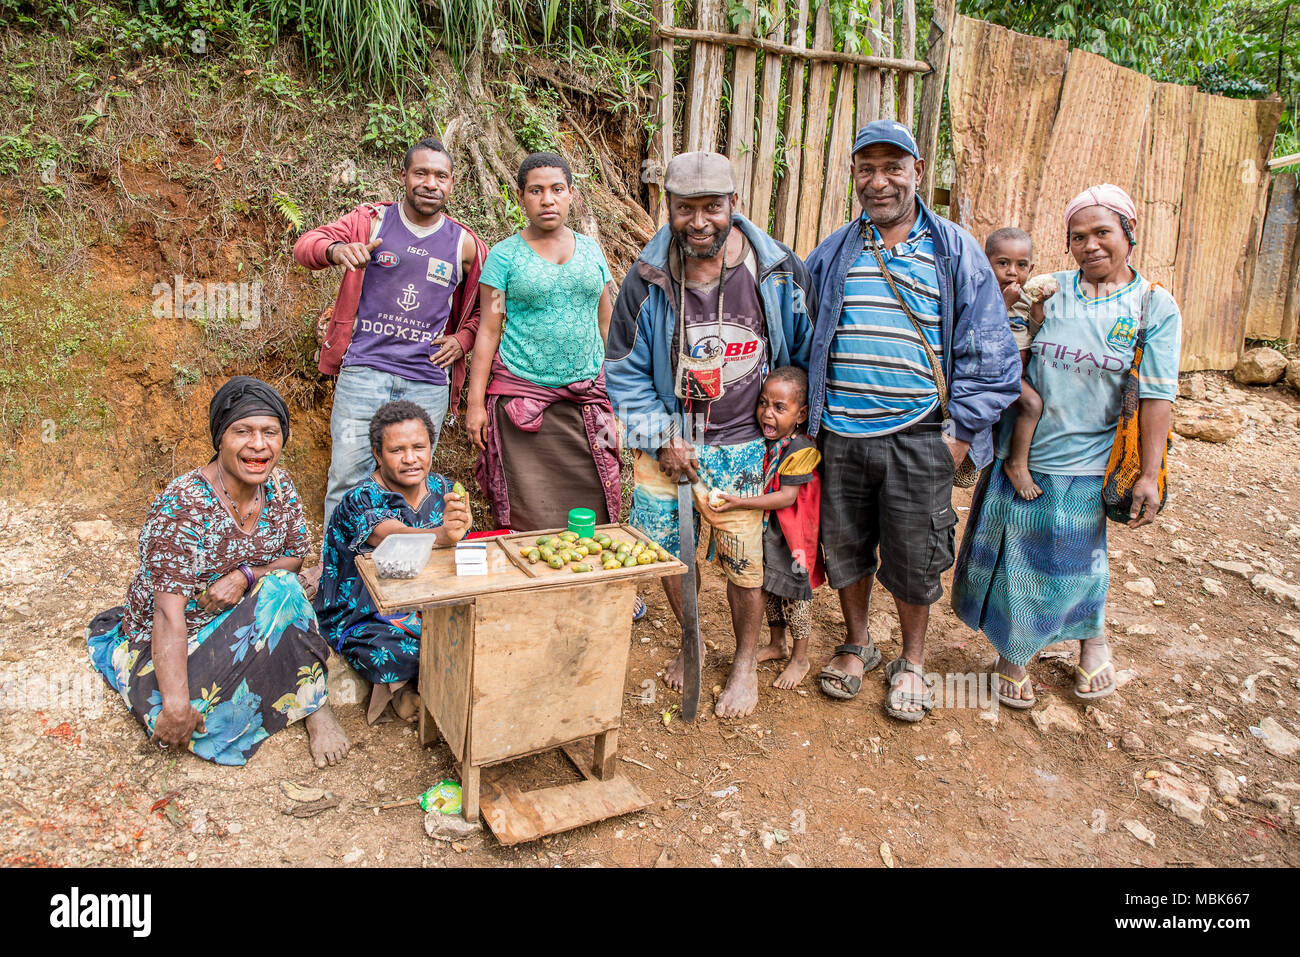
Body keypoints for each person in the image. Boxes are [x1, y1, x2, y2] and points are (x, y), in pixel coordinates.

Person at [805, 120, 1020, 722]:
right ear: (853, 175)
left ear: (917, 172)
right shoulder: (834, 252)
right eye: (866, 168)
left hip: (921, 434)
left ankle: (914, 663)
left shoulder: (953, 251)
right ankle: (857, 644)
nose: (880, 181)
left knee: (916, 553)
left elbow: (991, 353)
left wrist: (958, 437)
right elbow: (802, 339)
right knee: (845, 545)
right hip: (841, 433)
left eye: (893, 167)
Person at [953, 184, 1181, 708]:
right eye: (1078, 237)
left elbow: (1156, 396)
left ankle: (1091, 643)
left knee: (1082, 561)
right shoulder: (1047, 290)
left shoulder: (1152, 305)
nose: (1090, 245)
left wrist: (1148, 474)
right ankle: (1014, 653)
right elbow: (1005, 354)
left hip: (1088, 460)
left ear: (1129, 234)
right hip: (1024, 452)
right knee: (1016, 561)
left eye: (1103, 233)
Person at [605, 151, 816, 719]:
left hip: (745, 447)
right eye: (685, 209)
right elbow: (622, 368)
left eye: (712, 208)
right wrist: (661, 434)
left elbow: (801, 356)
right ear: (666, 208)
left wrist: (790, 434)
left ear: (734, 206)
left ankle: (745, 661)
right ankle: (691, 642)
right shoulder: (647, 278)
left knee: (745, 563)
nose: (699, 221)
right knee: (672, 555)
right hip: (668, 447)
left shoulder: (777, 271)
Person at [86, 377, 350, 768]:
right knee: (186, 715)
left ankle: (314, 705)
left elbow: (295, 557)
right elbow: (167, 611)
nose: (258, 445)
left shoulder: (279, 486)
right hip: (181, 630)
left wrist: (245, 574)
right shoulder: (184, 504)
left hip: (240, 616)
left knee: (284, 588)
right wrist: (175, 706)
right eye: (242, 432)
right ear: (221, 439)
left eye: (269, 433)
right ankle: (276, 687)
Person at [293, 137, 488, 527]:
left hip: (426, 380)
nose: (431, 183)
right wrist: (337, 251)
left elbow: (487, 309)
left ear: (452, 184)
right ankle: (339, 570)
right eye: (421, 173)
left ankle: (402, 572)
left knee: (410, 482)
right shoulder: (371, 221)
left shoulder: (465, 244)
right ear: (403, 176)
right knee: (347, 479)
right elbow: (305, 245)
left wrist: (462, 340)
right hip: (364, 371)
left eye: (441, 176)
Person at [465, 152, 621, 535]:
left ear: (571, 194)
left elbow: (606, 321)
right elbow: (489, 328)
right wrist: (474, 404)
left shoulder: (591, 251)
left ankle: (592, 586)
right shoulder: (504, 258)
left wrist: (620, 390)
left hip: (587, 398)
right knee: (528, 509)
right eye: (536, 190)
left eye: (557, 189)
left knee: (595, 502)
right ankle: (536, 586)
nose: (547, 199)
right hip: (523, 399)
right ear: (521, 196)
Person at [314, 400, 472, 724]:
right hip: (366, 612)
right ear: (377, 453)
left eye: (419, 447)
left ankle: (420, 686)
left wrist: (461, 525)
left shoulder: (442, 488)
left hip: (427, 602)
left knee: (474, 632)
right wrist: (444, 534)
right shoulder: (360, 498)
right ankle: (401, 689)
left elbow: (458, 548)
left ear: (431, 447)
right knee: (395, 650)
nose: (411, 458)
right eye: (397, 450)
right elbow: (390, 536)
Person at [713, 367, 824, 689]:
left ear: (801, 414)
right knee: (769, 588)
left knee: (796, 595)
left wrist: (739, 503)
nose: (767, 413)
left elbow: (787, 497)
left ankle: (800, 657)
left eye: (779, 408)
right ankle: (778, 644)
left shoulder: (802, 449)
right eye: (763, 404)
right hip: (771, 531)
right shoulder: (766, 443)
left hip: (794, 537)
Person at [985, 227, 1058, 501]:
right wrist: (1004, 303)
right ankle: (1008, 460)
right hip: (993, 371)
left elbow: (1035, 329)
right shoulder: (985, 294)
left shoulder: (1027, 297)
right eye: (1003, 263)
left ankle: (1012, 459)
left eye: (1021, 265)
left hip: (1018, 372)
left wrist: (1039, 305)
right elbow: (981, 330)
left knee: (1030, 405)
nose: (1012, 271)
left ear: (1032, 267)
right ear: (987, 262)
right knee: (1027, 405)